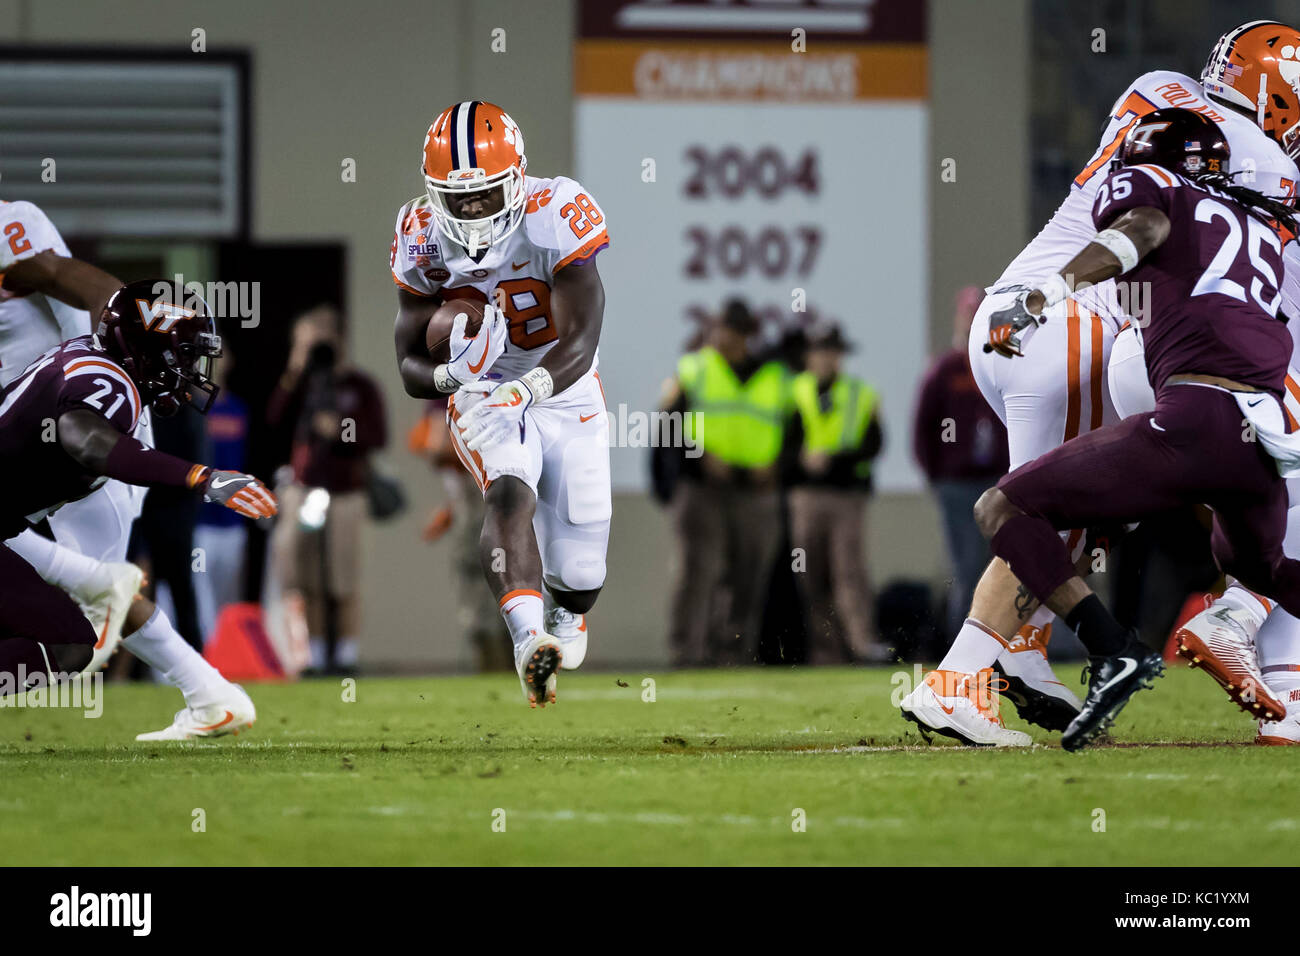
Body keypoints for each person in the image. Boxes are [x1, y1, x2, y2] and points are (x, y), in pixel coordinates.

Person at [901, 20, 1300, 746]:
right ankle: (960, 677)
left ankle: (1023, 653)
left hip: (1018, 313)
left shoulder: (1154, 91)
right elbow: (1160, 228)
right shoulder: (1264, 161)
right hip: (1072, 320)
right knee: (1046, 515)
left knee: (1088, 508)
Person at [0, 200, 267, 738]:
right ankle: (211, 694)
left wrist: (199, 476)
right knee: (93, 599)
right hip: (45, 441)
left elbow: (84, 288)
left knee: (89, 615)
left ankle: (209, 694)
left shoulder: (15, 227)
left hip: (87, 428)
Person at [391, 100, 611, 707]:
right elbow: (409, 363)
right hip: (484, 390)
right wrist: (447, 378)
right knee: (509, 489)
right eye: (456, 196)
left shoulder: (554, 211)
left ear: (515, 178)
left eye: (485, 193)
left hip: (564, 386)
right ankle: (526, 638)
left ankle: (568, 611)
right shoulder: (418, 232)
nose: (470, 208)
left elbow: (583, 335)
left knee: (582, 572)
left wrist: (531, 387)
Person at [661, 300, 792, 666]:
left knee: (748, 578)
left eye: (732, 330)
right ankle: (686, 653)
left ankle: (733, 653)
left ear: (748, 335)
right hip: (703, 490)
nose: (723, 336)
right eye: (720, 328)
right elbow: (668, 428)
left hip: (757, 491)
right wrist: (697, 457)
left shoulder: (775, 377)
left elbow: (796, 431)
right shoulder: (694, 369)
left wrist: (777, 468)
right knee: (696, 574)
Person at [268, 305, 388, 675]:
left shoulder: (359, 386)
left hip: (345, 492)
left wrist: (339, 431)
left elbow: (377, 436)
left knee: (343, 575)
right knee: (306, 576)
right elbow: (274, 420)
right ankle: (315, 656)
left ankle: (347, 656)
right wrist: (295, 367)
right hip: (303, 491)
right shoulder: (301, 384)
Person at [913, 287, 1010, 637]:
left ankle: (999, 645)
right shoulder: (946, 369)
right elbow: (923, 428)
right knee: (966, 566)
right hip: (958, 484)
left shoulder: (998, 361)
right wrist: (939, 477)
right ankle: (960, 644)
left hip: (997, 479)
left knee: (1003, 565)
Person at [786, 323, 885, 663]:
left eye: (831, 351)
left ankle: (861, 643)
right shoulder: (795, 392)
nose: (825, 358)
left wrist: (833, 460)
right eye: (819, 351)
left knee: (849, 570)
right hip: (806, 494)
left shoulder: (860, 393)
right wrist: (800, 461)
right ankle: (825, 649)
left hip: (846, 493)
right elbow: (782, 443)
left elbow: (873, 444)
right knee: (810, 573)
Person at [408, 400, 512, 671]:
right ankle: (492, 656)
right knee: (486, 577)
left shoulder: (469, 392)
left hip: (490, 498)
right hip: (478, 501)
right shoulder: (443, 396)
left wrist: (437, 446)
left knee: (491, 572)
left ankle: (501, 655)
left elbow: (443, 450)